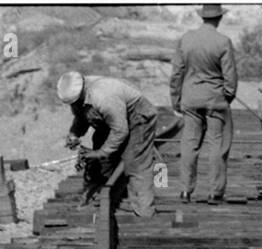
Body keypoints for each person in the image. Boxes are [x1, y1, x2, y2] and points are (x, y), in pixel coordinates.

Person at [58, 71, 158, 219]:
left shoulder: (103, 97)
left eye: (76, 102)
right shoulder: (78, 99)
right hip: (114, 119)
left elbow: (120, 131)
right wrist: (74, 134)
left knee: (135, 162)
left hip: (138, 117)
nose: (74, 106)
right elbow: (81, 118)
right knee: (100, 155)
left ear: (82, 92)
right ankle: (102, 193)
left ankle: (145, 213)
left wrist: (101, 152)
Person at [171, 4, 238, 204]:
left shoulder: (186, 39)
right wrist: (228, 96)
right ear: (219, 19)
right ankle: (215, 192)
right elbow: (230, 77)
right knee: (217, 144)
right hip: (215, 100)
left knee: (189, 143)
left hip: (190, 98)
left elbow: (176, 74)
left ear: (202, 18)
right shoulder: (223, 41)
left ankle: (185, 190)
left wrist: (176, 100)